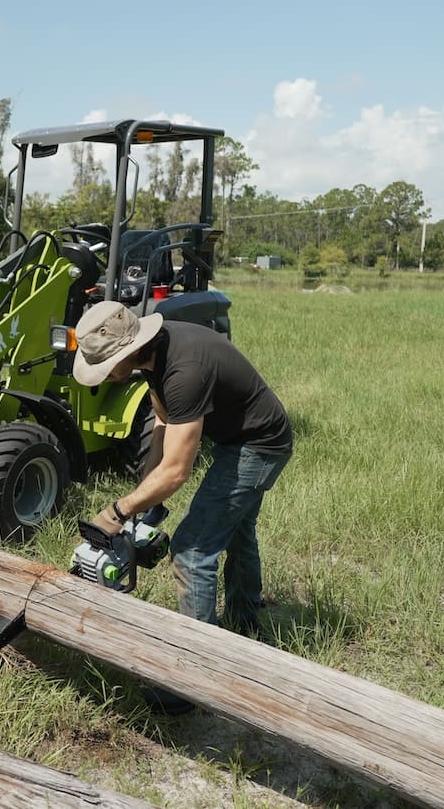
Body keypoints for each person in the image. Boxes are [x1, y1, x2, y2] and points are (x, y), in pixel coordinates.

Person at [72, 301, 293, 712]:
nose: (105, 375)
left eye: (105, 365)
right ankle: (245, 626)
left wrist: (117, 512)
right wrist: (143, 496)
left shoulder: (184, 370)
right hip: (238, 438)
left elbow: (177, 471)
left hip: (260, 445)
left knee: (192, 552)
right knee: (236, 530)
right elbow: (163, 424)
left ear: (125, 353)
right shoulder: (155, 354)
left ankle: (194, 680)